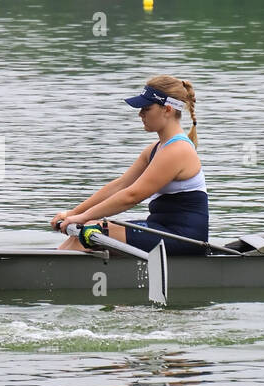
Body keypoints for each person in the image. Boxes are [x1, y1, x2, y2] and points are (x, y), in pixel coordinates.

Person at [52, 75, 208, 254]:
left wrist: (82, 218)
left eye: (146, 108)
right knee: (85, 230)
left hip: (185, 239)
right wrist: (73, 213)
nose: (140, 114)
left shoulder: (178, 150)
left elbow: (132, 196)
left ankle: (48, 275)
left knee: (90, 230)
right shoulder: (154, 150)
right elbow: (121, 185)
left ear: (167, 110)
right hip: (162, 230)